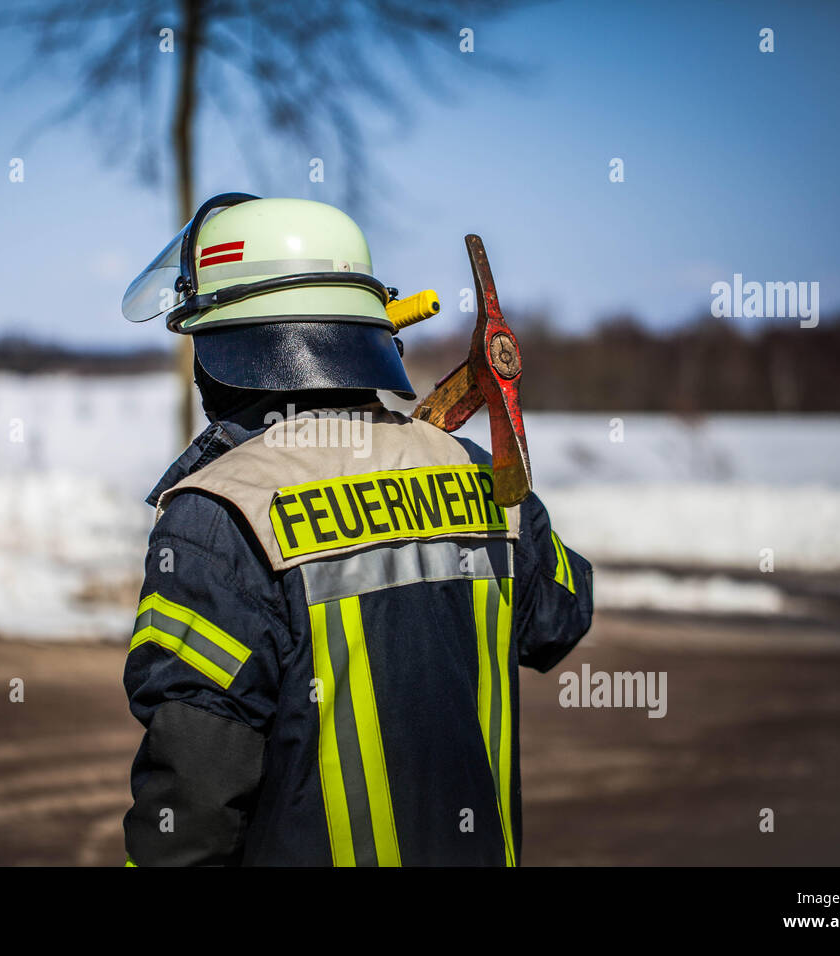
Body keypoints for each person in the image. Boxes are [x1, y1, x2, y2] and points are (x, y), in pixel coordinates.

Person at [120, 194, 593, 866]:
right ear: (370, 333)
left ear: (226, 349)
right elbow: (561, 616)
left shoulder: (219, 513)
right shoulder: (485, 477)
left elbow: (194, 796)